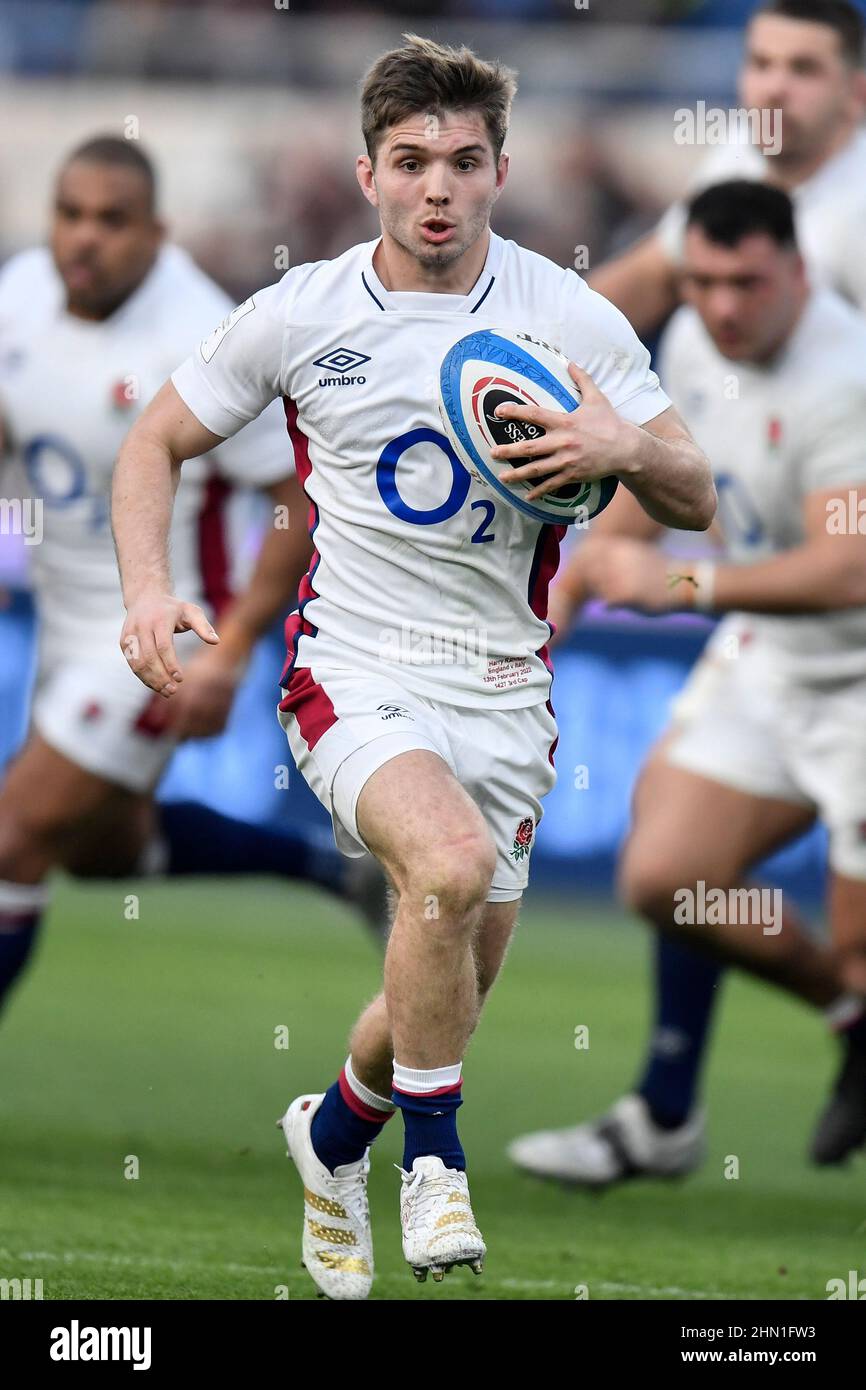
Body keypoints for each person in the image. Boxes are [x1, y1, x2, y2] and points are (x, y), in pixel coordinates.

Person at [112, 35, 714, 1299]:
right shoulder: (303, 310)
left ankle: (331, 1137)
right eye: (409, 162)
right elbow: (155, 441)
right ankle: (431, 1165)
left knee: (446, 974)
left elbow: (695, 494)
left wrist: (622, 442)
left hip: (505, 688)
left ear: (498, 172)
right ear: (366, 173)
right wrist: (151, 590)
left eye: (461, 161)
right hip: (353, 667)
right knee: (439, 872)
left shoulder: (567, 313)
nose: (435, 186)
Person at [508, 180, 866, 1187]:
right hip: (770, 660)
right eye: (700, 282)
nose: (718, 306)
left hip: (857, 678)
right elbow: (647, 488)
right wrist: (559, 600)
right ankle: (847, 1019)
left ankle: (848, 1001)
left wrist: (685, 583)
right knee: (669, 881)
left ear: (795, 271)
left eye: (744, 284)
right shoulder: (698, 344)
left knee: (856, 950)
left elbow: (851, 565)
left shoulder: (842, 377)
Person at [0, 135, 383, 1024]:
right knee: (101, 852)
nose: (84, 240)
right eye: (70, 215)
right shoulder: (19, 294)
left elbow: (296, 496)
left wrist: (237, 645)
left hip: (165, 633)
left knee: (14, 837)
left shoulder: (200, 333)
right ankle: (332, 871)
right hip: (65, 619)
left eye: (112, 221)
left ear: (158, 233)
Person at [591, 0, 866, 333]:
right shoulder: (743, 147)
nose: (774, 89)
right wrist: (547, 340)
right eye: (761, 64)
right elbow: (655, 273)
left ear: (856, 93)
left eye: (803, 69)